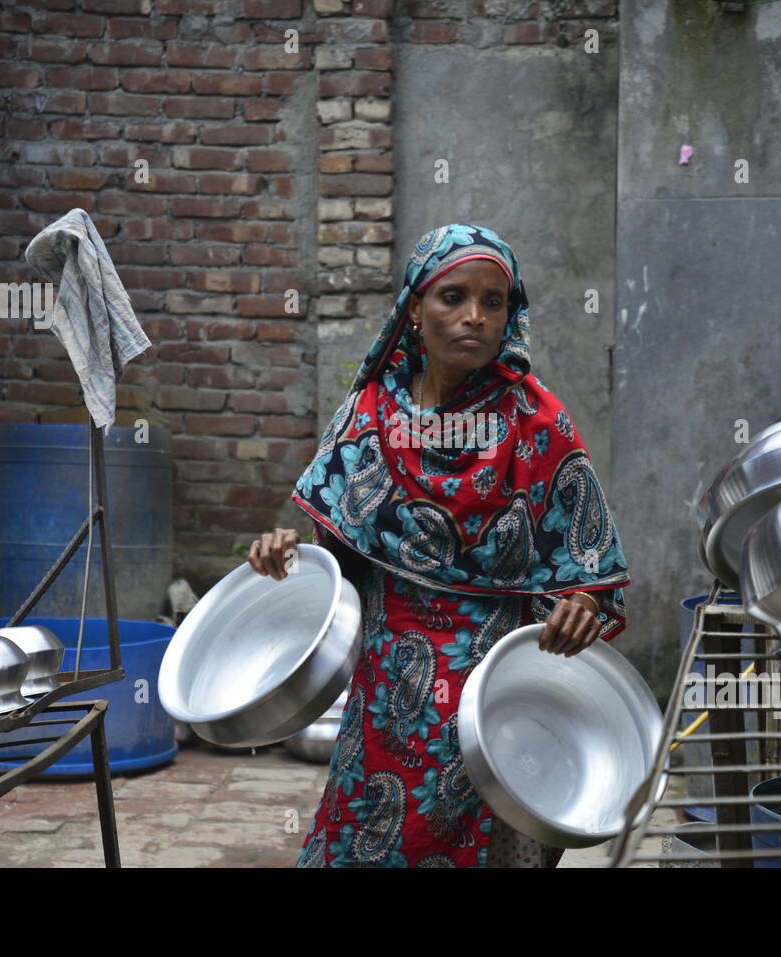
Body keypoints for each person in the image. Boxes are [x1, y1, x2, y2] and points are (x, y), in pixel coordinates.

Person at [247, 223, 630, 867]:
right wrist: (287, 557)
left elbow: (589, 565)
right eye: (452, 298)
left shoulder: (539, 425)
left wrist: (582, 605)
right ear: (415, 308)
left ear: (512, 314)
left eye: (493, 302)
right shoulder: (369, 415)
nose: (474, 317)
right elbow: (335, 561)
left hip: (499, 692)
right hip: (388, 691)